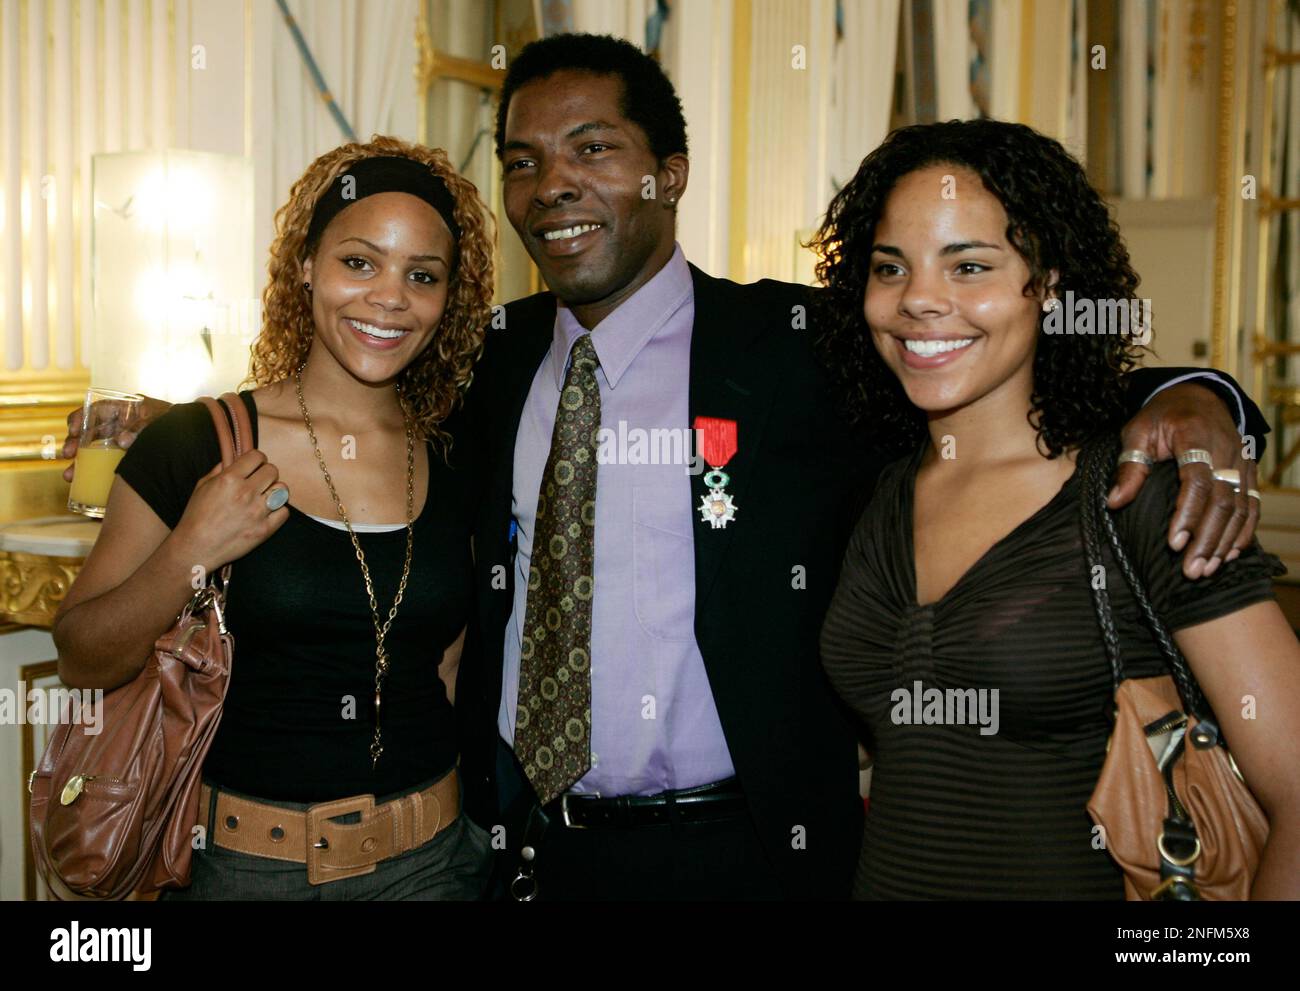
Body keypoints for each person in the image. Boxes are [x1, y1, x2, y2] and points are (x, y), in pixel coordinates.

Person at [64, 34, 1269, 901]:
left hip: (743, 851)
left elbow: (1004, 367)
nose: (554, 186)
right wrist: (161, 416)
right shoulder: (486, 362)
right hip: (517, 847)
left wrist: (1198, 401)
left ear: (669, 174)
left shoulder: (802, 348)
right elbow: (347, 386)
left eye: (593, 148)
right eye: (524, 160)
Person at [814, 119, 1300, 899]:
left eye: (969, 265)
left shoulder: (1146, 492)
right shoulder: (880, 491)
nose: (920, 301)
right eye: (890, 267)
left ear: (1052, 286)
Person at [53, 137, 497, 900]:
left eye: (420, 276)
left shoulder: (455, 460)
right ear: (305, 266)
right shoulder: (197, 446)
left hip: (435, 864)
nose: (389, 297)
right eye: (359, 262)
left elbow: (448, 670)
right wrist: (190, 549)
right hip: (252, 870)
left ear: (446, 298)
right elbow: (80, 655)